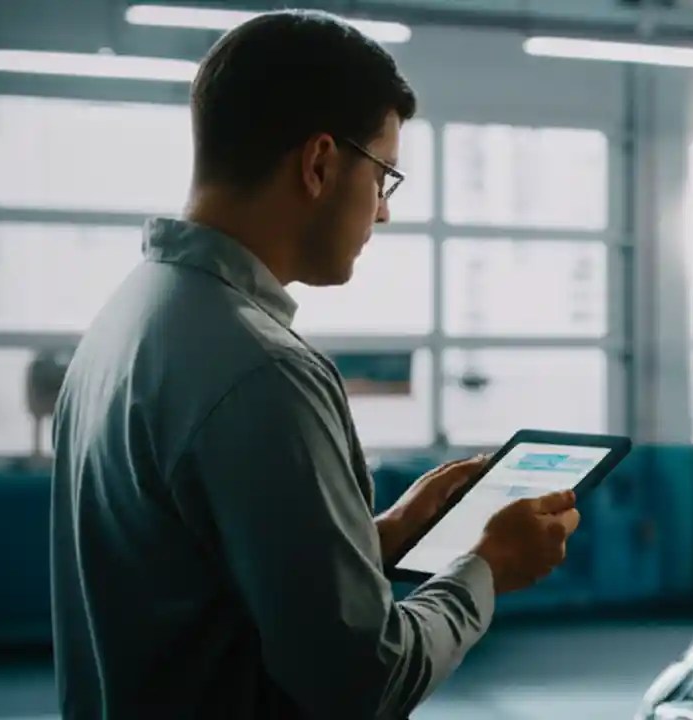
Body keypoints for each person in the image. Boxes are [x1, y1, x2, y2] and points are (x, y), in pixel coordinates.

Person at [50, 10, 580, 719]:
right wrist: (486, 568)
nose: (383, 213)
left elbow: (204, 585)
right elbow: (365, 680)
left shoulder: (131, 319)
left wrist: (382, 536)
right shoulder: (264, 371)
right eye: (385, 175)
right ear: (321, 163)